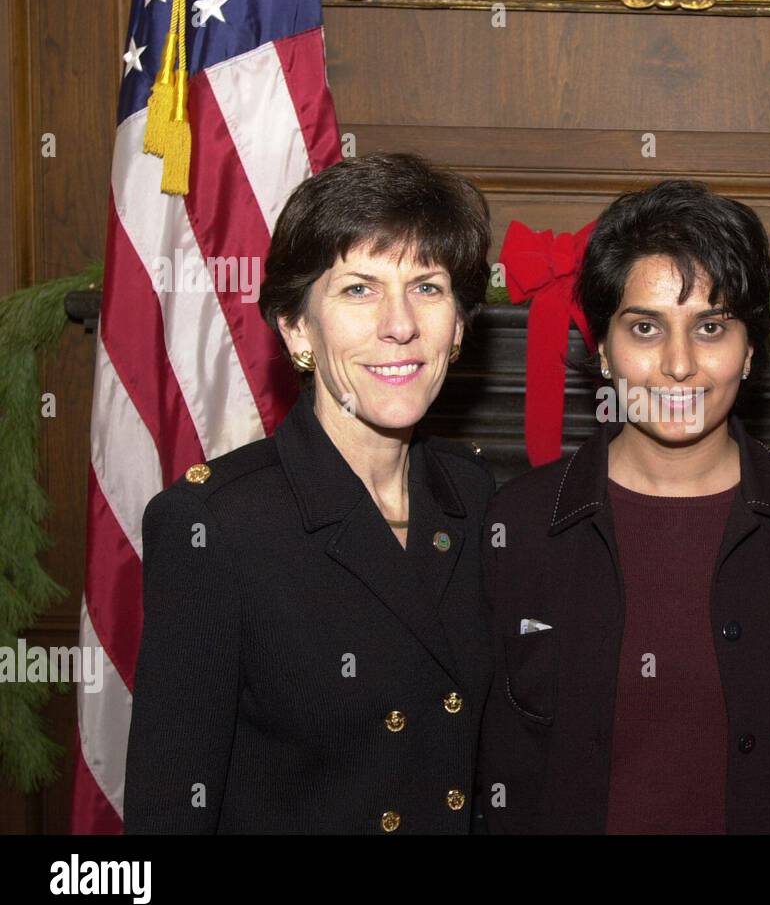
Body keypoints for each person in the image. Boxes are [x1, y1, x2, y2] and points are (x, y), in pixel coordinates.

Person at [476, 179, 770, 834]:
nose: (679, 365)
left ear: (750, 350)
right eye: (646, 328)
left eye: (710, 327)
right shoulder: (517, 527)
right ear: (601, 349)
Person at [125, 153, 496, 833]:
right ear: (298, 328)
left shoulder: (474, 497)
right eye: (359, 289)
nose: (400, 324)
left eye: (428, 287)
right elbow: (168, 817)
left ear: (460, 326)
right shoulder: (215, 528)